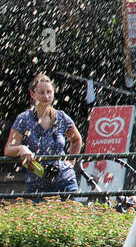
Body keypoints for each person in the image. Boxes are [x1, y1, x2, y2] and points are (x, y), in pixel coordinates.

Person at [5, 72, 83, 200]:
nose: (46, 96)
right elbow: (8, 149)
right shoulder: (23, 119)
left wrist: (71, 162)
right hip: (37, 183)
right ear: (32, 94)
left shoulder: (61, 117)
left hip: (64, 181)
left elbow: (76, 139)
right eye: (41, 92)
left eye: (49, 92)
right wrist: (20, 149)